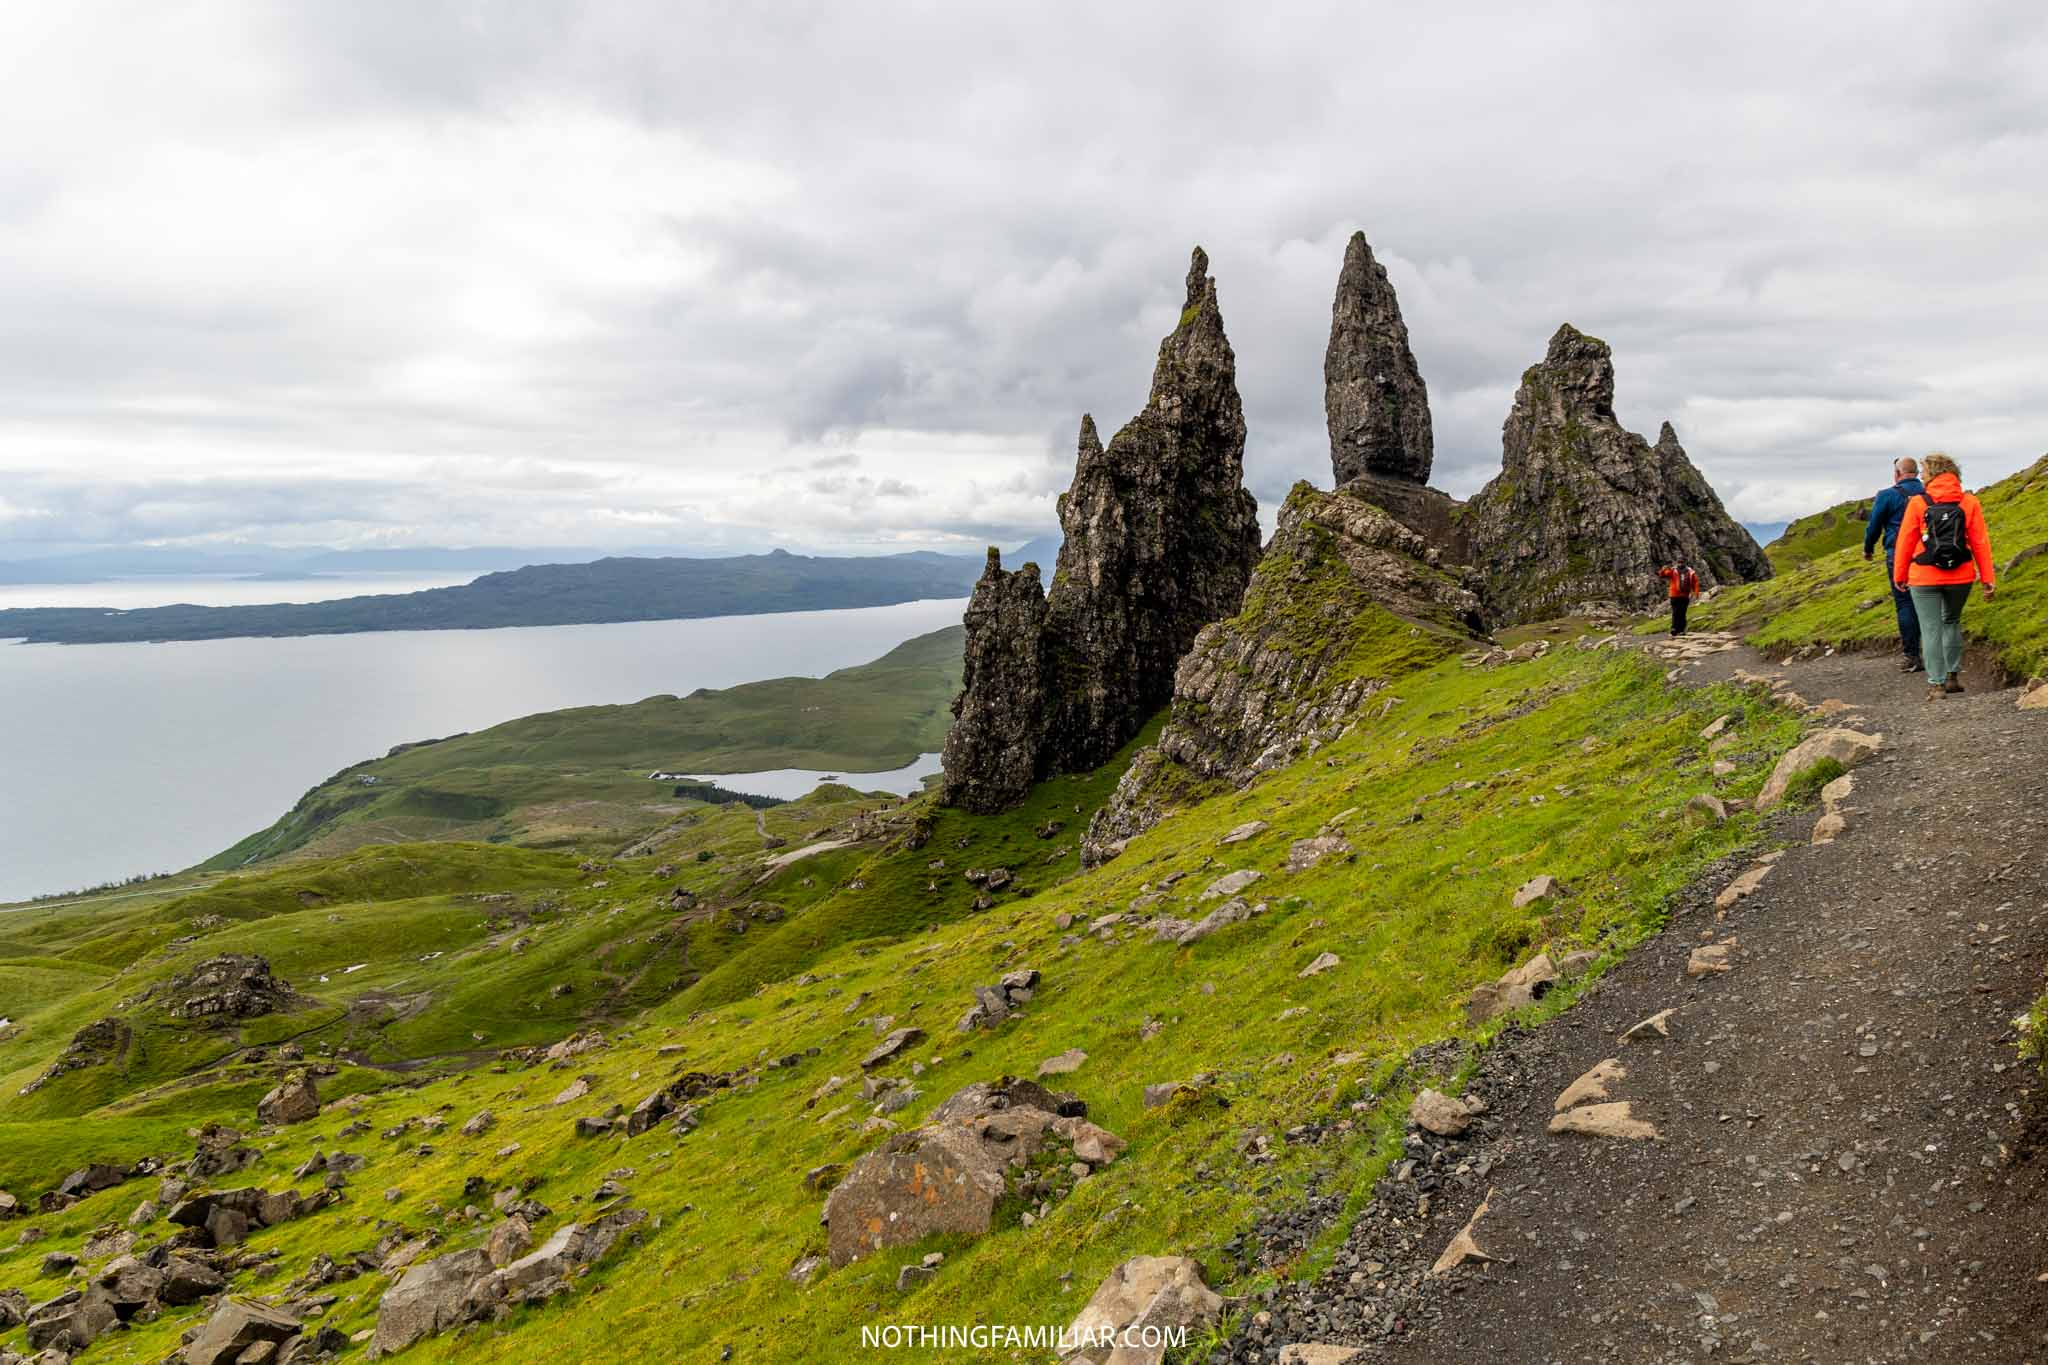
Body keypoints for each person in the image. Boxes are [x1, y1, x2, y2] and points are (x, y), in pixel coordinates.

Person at [1892, 452, 1996, 701]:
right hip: (1960, 575)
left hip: (1924, 576)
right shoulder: (1969, 502)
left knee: (1930, 629)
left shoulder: (1918, 503)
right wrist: (1987, 578)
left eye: (1925, 471)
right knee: (1951, 621)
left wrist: (1900, 574)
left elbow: (1905, 542)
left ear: (1932, 474)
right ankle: (1952, 678)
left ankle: (1936, 685)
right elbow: (1980, 542)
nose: (1923, 475)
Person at [1863, 456, 1926, 671]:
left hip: (1899, 554)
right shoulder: (1928, 493)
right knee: (1931, 601)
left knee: (1905, 603)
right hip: (1928, 554)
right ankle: (1938, 653)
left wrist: (1868, 548)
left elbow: (1874, 525)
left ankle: (1913, 656)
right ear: (1917, 473)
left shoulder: (1887, 495)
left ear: (1897, 474)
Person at [1657, 561, 1700, 636]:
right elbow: (1695, 582)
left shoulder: (1673, 570)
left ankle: (1674, 628)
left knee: (1676, 612)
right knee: (1682, 613)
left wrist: (1663, 569)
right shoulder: (1690, 571)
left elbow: (1663, 574)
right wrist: (1696, 593)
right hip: (1684, 596)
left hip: (1675, 595)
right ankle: (1680, 629)